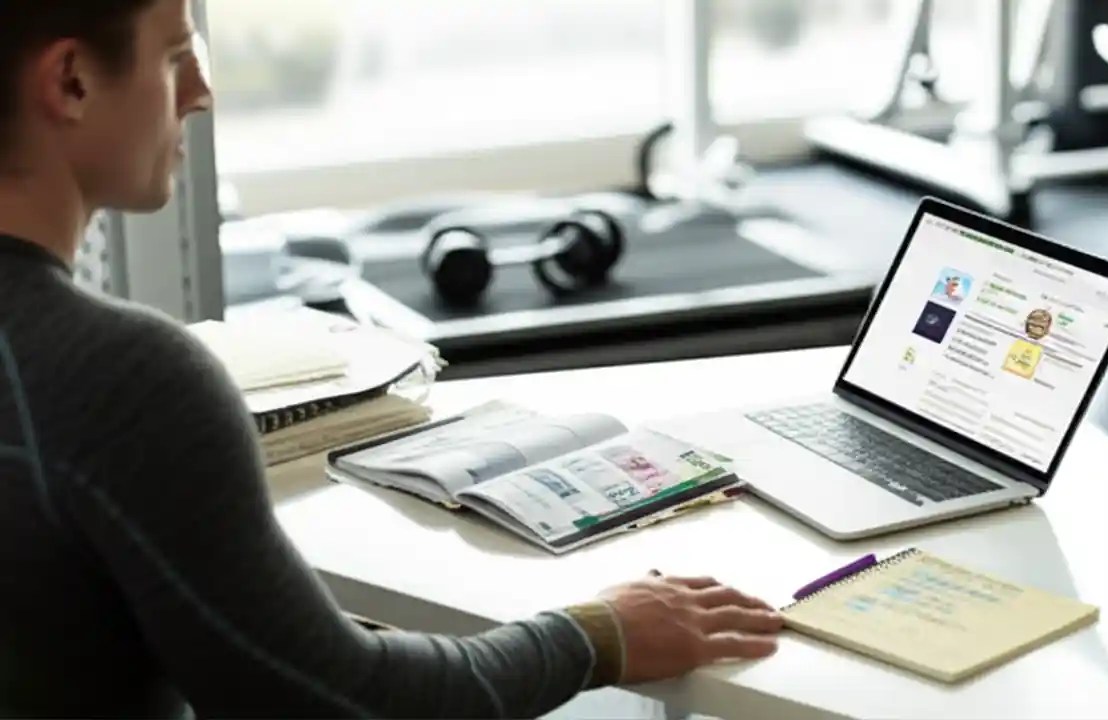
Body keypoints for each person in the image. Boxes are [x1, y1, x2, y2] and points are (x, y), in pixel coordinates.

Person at [0, 1, 784, 716]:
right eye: (175, 56)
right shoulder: (124, 380)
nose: (200, 92)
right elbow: (337, 701)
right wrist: (601, 635)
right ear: (71, 81)